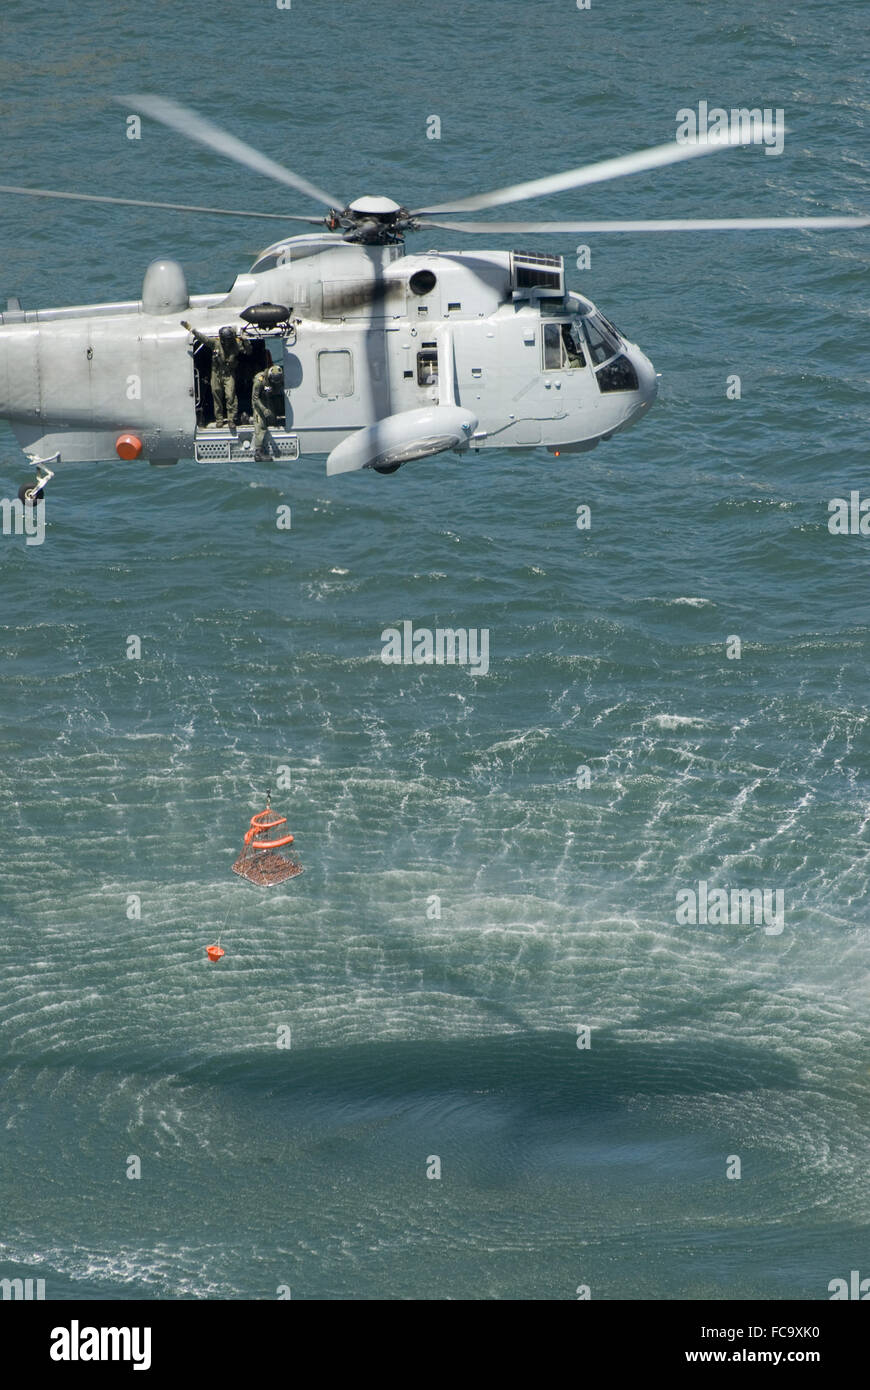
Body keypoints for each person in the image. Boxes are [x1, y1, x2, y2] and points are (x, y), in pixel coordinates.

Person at [181, 321, 251, 429]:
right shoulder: (215, 343)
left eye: (229, 340)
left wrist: (246, 341)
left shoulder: (236, 344)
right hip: (216, 373)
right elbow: (203, 339)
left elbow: (248, 352)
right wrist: (192, 330)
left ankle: (231, 419)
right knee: (216, 395)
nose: (227, 343)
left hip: (229, 373)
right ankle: (219, 419)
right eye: (226, 341)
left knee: (230, 396)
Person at [251, 363, 285, 460]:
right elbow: (255, 399)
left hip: (267, 399)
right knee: (260, 424)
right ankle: (258, 452)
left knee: (272, 421)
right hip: (258, 402)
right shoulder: (259, 380)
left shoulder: (279, 378)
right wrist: (264, 409)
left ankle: (249, 420)